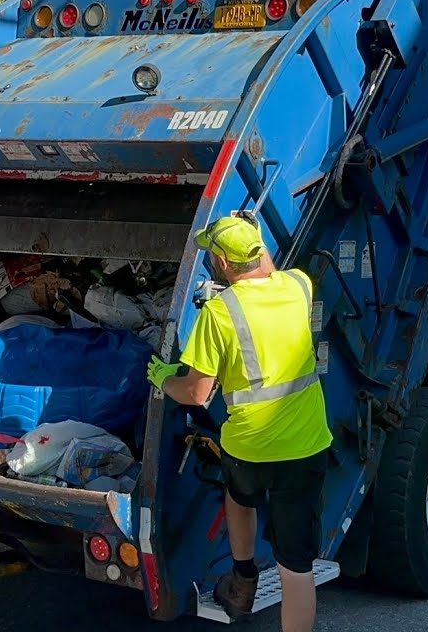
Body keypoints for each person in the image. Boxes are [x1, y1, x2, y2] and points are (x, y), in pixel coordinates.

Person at [146, 214, 333, 632]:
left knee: (239, 495)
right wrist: (252, 230)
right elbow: (267, 267)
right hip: (305, 449)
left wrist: (162, 377)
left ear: (224, 265)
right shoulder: (299, 286)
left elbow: (196, 393)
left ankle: (243, 578)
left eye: (213, 255)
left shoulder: (220, 312)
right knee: (295, 569)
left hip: (249, 448)